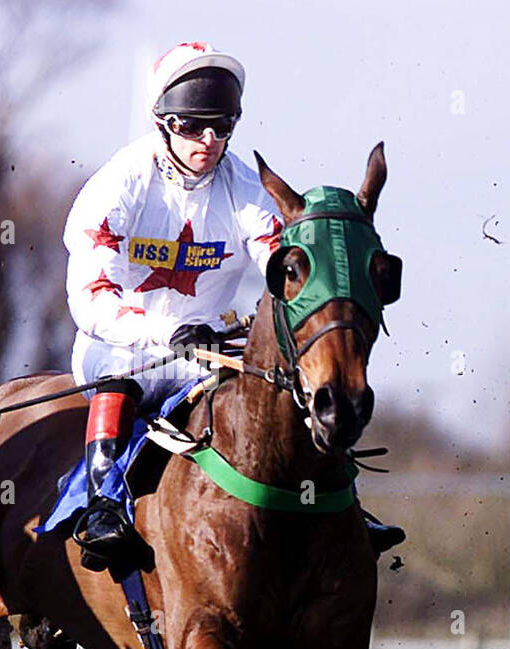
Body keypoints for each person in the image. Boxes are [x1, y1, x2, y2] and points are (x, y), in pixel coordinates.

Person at [63, 41, 402, 569]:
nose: (209, 141)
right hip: (121, 347)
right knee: (120, 378)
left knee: (282, 385)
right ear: (162, 122)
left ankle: (343, 504)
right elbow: (90, 296)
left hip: (208, 348)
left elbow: (282, 262)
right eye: (192, 127)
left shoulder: (244, 186)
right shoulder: (117, 185)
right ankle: (104, 505)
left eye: (222, 128)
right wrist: (162, 331)